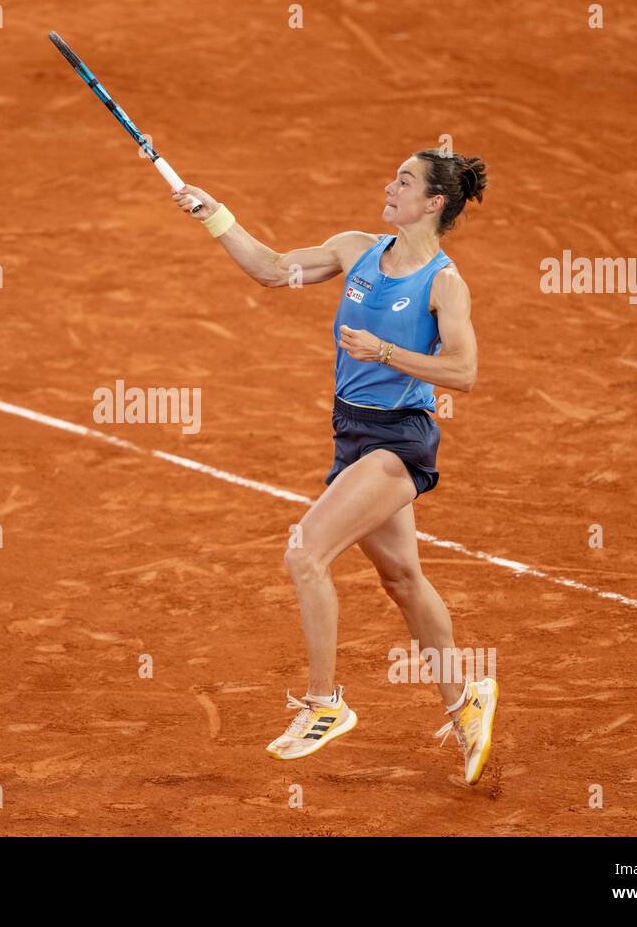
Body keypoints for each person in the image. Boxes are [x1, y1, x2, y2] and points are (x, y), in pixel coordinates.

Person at [173, 150, 498, 784]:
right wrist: (216, 217)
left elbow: (464, 372)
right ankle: (466, 697)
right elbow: (272, 271)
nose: (389, 185)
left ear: (434, 203)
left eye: (404, 181)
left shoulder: (443, 283)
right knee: (402, 579)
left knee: (305, 554)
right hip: (350, 432)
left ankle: (325, 704)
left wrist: (385, 351)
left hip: (399, 440)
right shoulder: (355, 250)